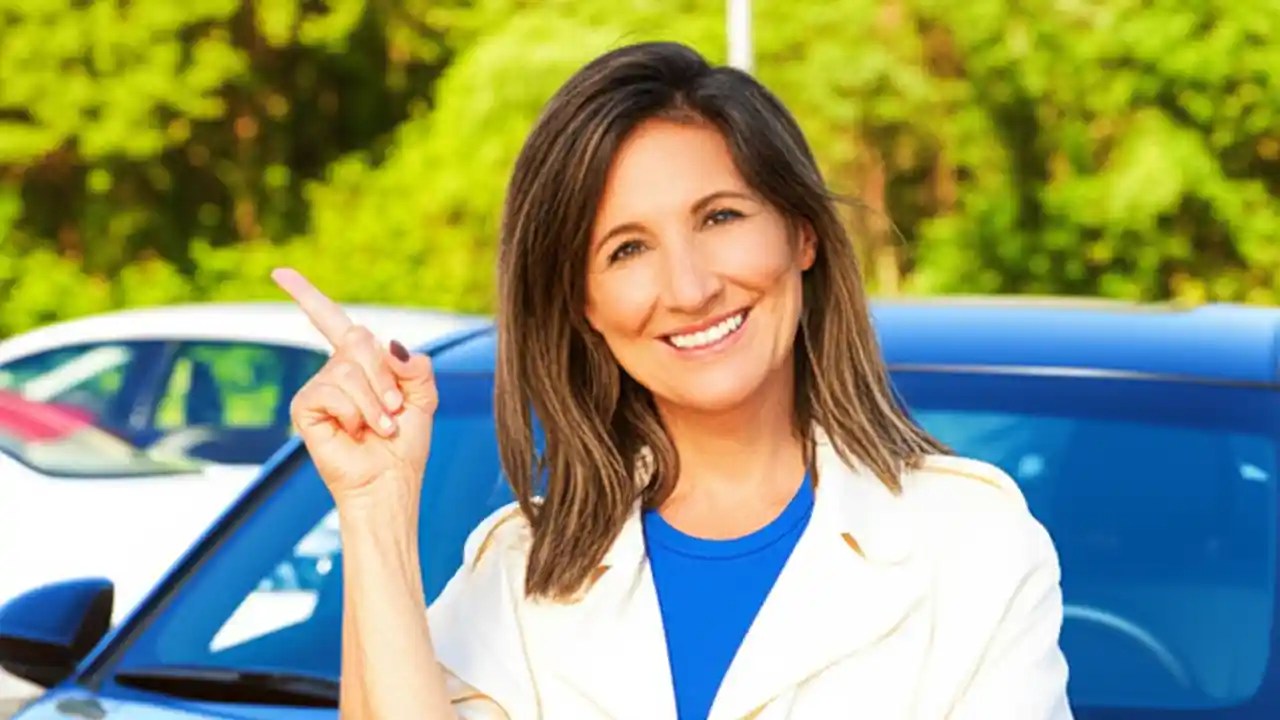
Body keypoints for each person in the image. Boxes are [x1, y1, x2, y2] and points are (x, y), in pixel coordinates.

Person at [273, 41, 1072, 720]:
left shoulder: (971, 546)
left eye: (719, 217)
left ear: (800, 233)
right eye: (627, 250)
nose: (689, 289)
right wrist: (374, 508)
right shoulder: (521, 572)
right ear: (584, 305)